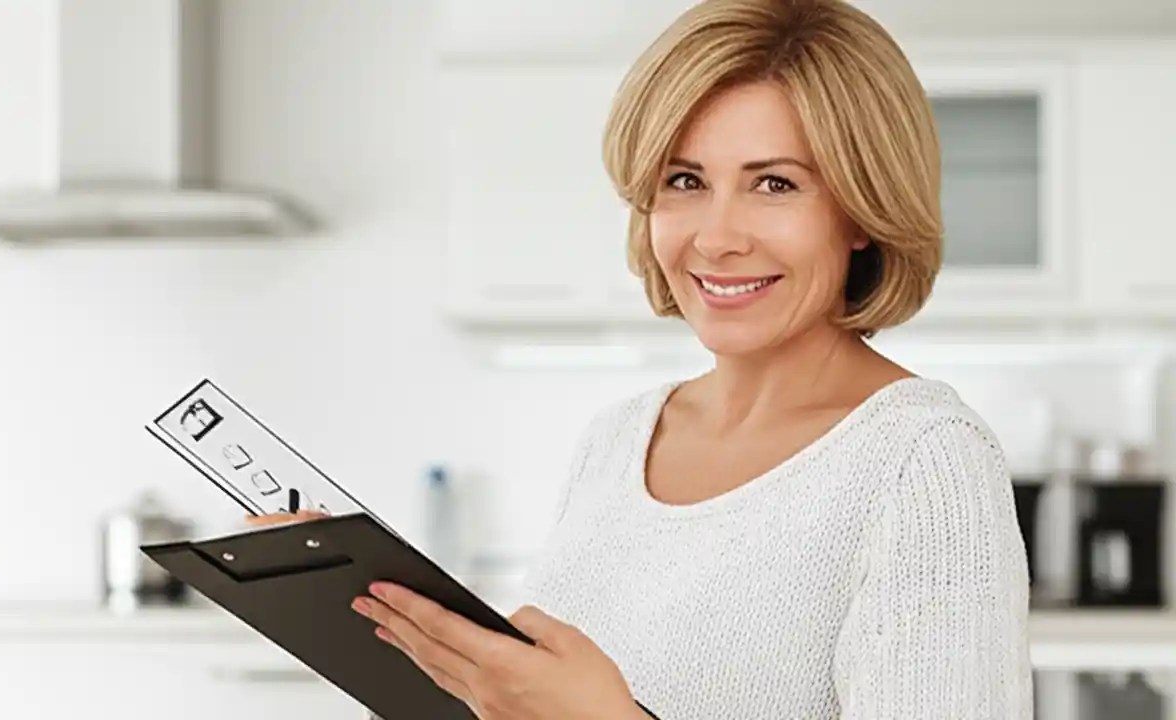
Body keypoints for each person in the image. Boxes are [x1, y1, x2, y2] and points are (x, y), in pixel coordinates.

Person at [258, 0, 1033, 717]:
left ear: (861, 210)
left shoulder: (922, 463)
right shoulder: (618, 439)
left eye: (773, 183)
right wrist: (407, 640)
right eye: (685, 180)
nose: (716, 236)